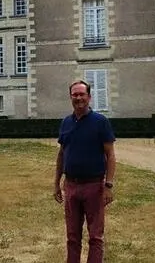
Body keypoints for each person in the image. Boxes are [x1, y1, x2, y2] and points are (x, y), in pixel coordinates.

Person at [54, 80, 116, 263]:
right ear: (70, 97)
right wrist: (56, 183)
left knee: (95, 237)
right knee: (72, 237)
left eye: (82, 94)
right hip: (71, 186)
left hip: (94, 186)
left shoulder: (100, 122)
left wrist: (108, 186)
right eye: (75, 94)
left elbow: (110, 155)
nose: (79, 98)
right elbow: (61, 154)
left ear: (89, 97)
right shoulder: (66, 122)